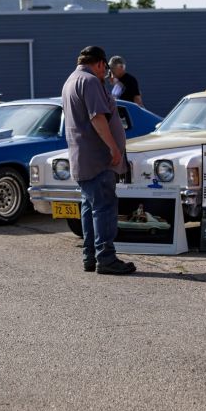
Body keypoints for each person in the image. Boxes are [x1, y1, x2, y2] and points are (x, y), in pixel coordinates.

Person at [61, 45, 135, 275]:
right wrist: (113, 148)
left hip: (82, 157)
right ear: (101, 63)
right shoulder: (90, 82)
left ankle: (90, 256)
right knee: (104, 207)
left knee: (90, 206)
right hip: (97, 157)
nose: (107, 74)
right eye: (106, 69)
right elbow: (97, 117)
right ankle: (106, 258)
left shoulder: (70, 81)